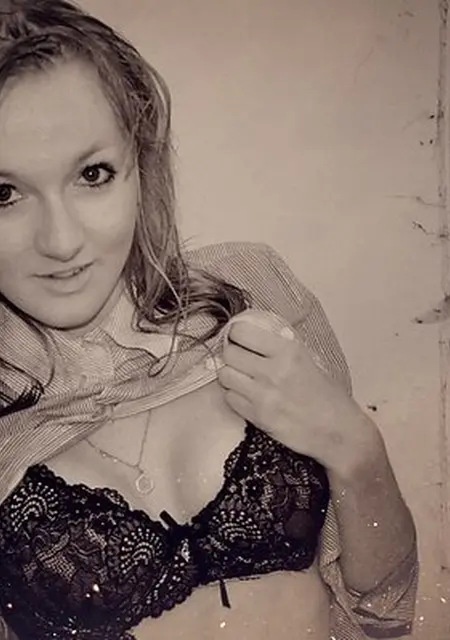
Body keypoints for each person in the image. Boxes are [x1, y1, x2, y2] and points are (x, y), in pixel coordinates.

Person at [0, 1, 418, 639]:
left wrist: (355, 448)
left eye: (92, 174)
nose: (61, 240)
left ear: (142, 165)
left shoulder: (251, 293)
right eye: (3, 193)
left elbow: (383, 611)